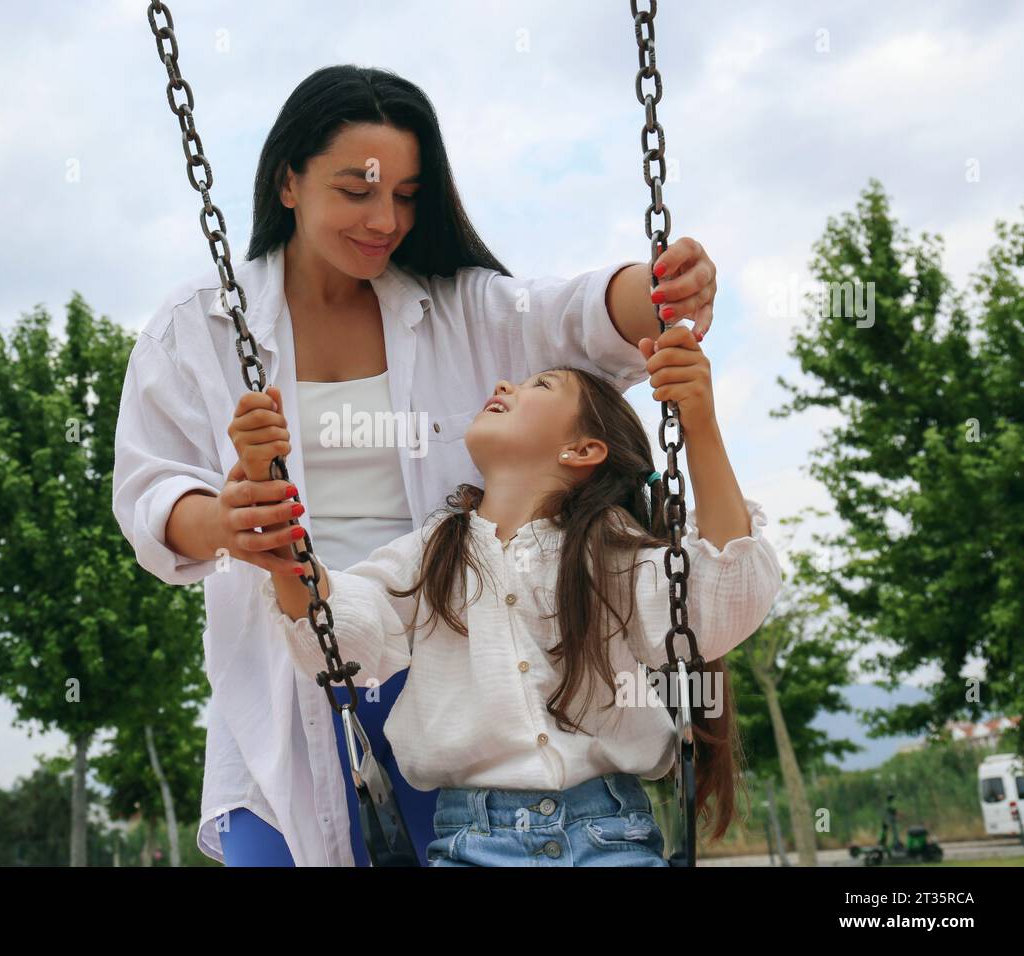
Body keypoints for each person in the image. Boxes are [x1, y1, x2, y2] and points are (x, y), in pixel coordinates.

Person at [112, 64, 721, 866]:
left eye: (405, 194)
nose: (385, 219)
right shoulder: (200, 325)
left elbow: (573, 318)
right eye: (357, 190)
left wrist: (662, 289)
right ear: (288, 181)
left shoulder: (459, 307)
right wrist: (227, 522)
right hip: (288, 663)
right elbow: (152, 487)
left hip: (457, 673)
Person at [240, 325, 781, 866]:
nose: (504, 385)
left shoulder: (613, 553)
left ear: (583, 449)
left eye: (540, 385)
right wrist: (276, 518)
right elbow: (341, 637)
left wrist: (700, 425)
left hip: (609, 838)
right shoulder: (434, 553)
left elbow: (718, 603)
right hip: (469, 844)